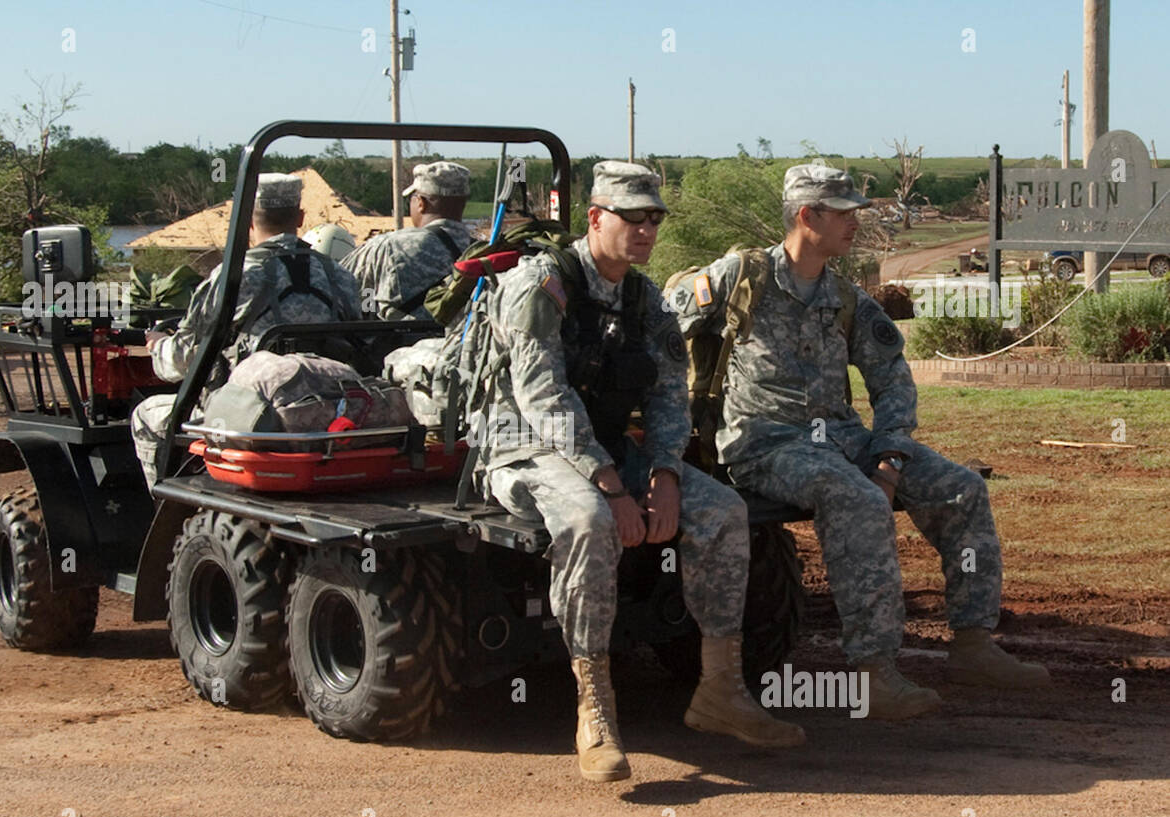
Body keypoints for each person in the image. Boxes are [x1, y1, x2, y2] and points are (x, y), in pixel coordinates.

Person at [672, 164, 1049, 719]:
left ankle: (972, 643)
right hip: (764, 442)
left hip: (843, 439)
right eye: (844, 213)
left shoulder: (844, 298)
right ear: (807, 216)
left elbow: (892, 376)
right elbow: (660, 328)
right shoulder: (738, 278)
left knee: (962, 489)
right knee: (856, 498)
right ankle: (873, 671)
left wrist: (891, 451)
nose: (855, 223)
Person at [478, 161, 805, 784]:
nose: (646, 230)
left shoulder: (643, 296)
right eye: (633, 218)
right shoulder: (539, 286)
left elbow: (664, 394)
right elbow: (543, 396)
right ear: (596, 218)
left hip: (599, 443)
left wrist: (663, 473)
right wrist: (609, 484)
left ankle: (720, 690)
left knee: (723, 511)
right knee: (585, 518)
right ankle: (594, 709)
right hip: (520, 441)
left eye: (654, 218)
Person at [131, 172, 361, 488]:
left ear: (246, 222)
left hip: (253, 417)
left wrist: (158, 346)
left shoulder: (234, 278)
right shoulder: (339, 276)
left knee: (145, 415)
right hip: (329, 409)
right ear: (300, 217)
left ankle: (168, 507)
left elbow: (184, 363)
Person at [341, 161, 475, 321]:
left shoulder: (388, 246)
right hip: (462, 344)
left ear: (421, 203)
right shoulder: (482, 252)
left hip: (401, 344)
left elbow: (342, 286)